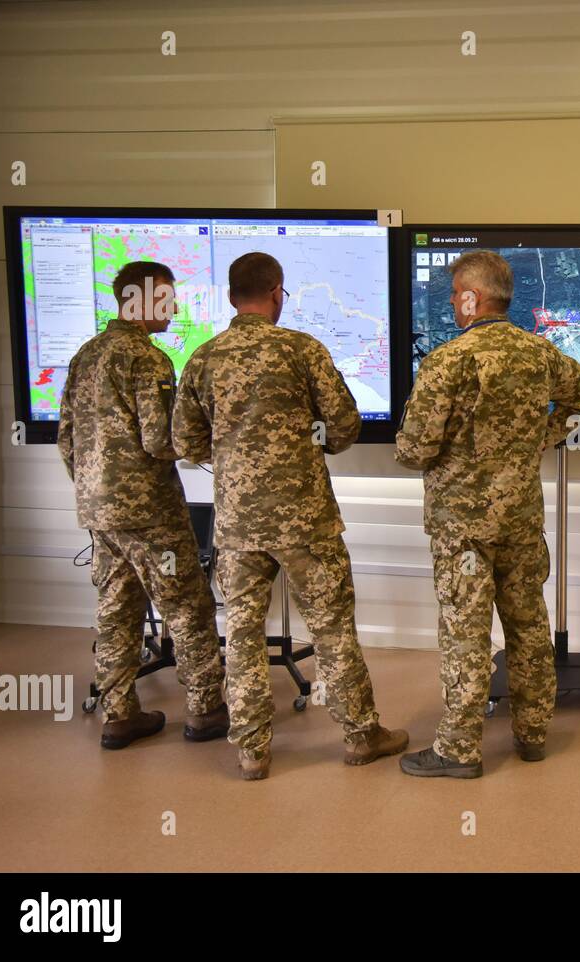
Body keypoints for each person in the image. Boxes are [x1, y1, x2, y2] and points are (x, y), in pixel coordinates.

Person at [172, 252, 406, 780]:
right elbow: (344, 426)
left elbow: (184, 441)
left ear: (232, 296)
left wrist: (234, 453)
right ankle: (360, 736)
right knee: (333, 629)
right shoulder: (303, 350)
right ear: (278, 292)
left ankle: (252, 751)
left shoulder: (203, 359)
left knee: (242, 634)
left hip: (237, 525)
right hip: (306, 520)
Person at [396, 249, 580, 778]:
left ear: (472, 297)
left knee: (465, 630)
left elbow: (415, 450)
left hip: (461, 526)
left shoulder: (448, 361)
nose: (450, 302)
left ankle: (458, 750)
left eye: (454, 293)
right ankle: (533, 735)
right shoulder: (540, 355)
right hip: (520, 517)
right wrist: (540, 440)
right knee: (528, 622)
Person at [57, 260, 227, 749]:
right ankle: (205, 711)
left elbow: (66, 437)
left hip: (98, 511)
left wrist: (95, 488)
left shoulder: (86, 355)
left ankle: (118, 716)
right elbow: (158, 441)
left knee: (115, 610)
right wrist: (202, 439)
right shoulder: (148, 360)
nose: (173, 307)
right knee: (188, 606)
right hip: (149, 512)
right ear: (142, 300)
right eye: (167, 298)